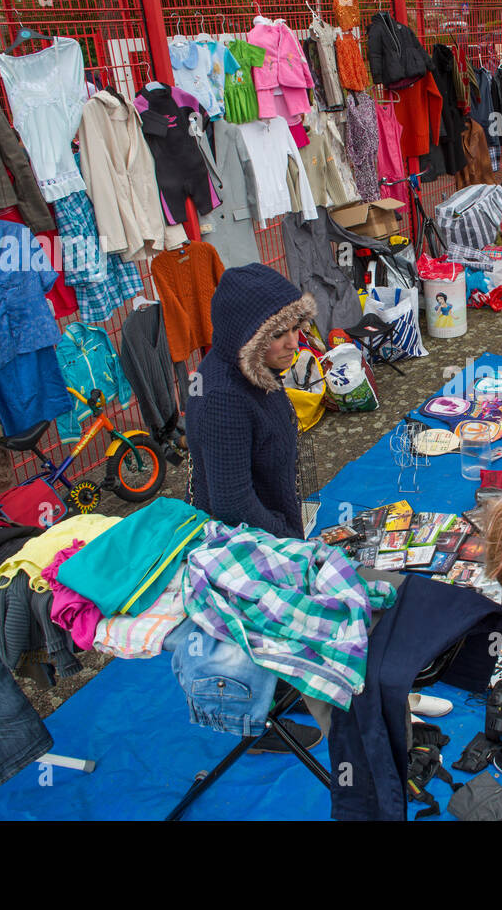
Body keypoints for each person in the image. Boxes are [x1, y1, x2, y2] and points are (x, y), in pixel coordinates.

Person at [184, 262, 320, 752]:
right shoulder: (222, 395)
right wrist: (285, 537)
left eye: (295, 328)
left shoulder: (253, 369)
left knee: (283, 621)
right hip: (247, 540)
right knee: (258, 631)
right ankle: (256, 723)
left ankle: (288, 691)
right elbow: (231, 501)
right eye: (277, 333)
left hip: (270, 526)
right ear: (247, 335)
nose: (292, 341)